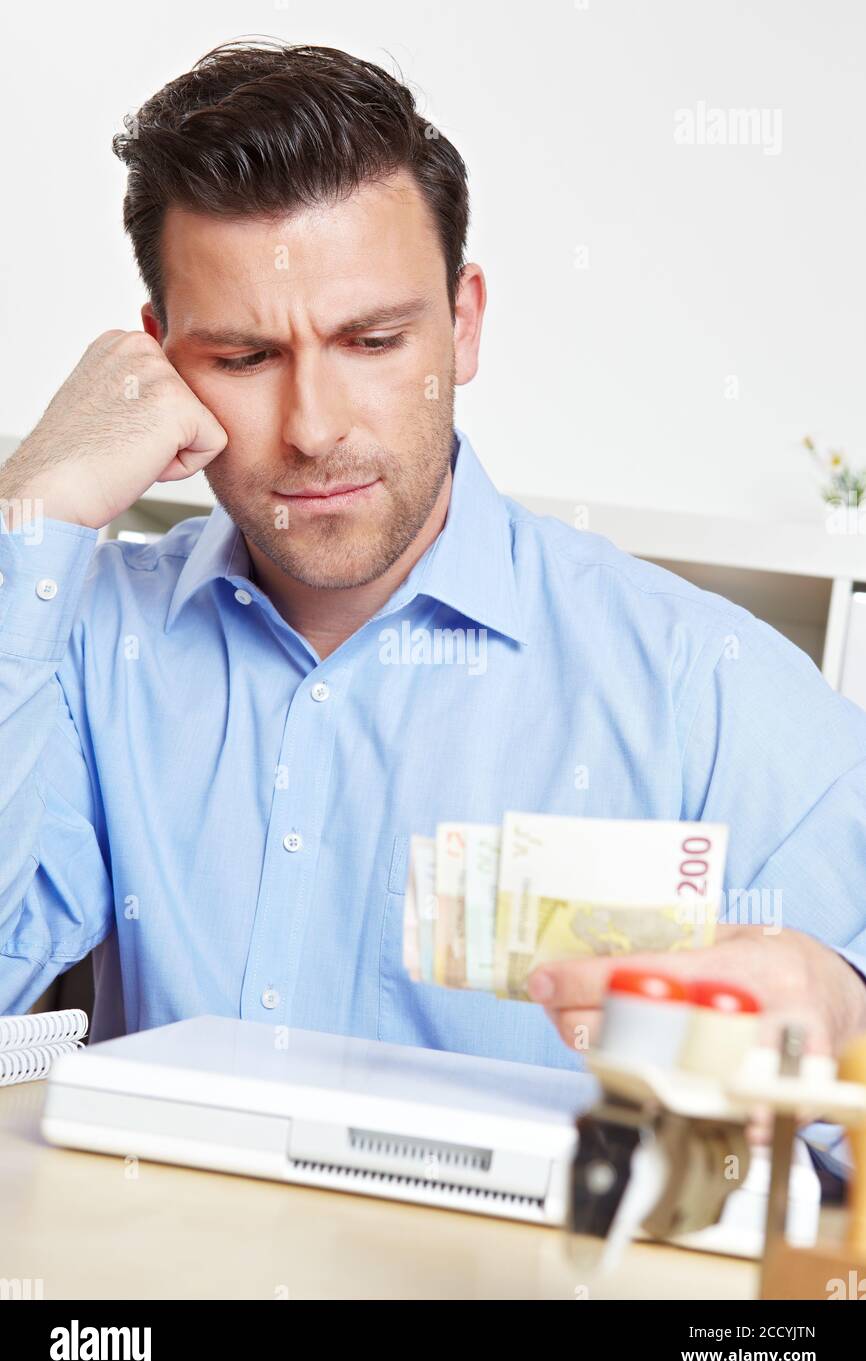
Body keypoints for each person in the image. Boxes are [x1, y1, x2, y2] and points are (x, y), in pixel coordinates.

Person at [1, 43, 865, 1104]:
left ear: (461, 326)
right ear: (155, 357)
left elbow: (837, 1056)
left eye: (370, 340)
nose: (313, 431)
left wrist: (836, 1016)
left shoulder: (703, 686)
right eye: (241, 359)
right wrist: (27, 510)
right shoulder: (77, 643)